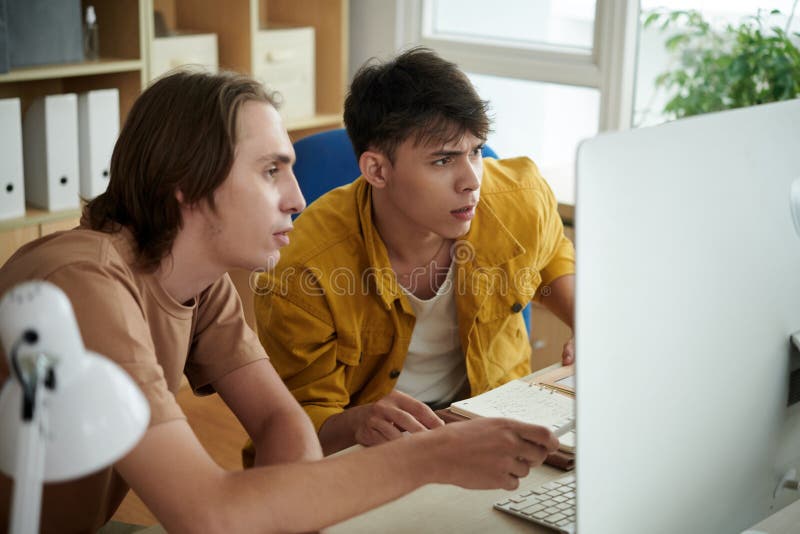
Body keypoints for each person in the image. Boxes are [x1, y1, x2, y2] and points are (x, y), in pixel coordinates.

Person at [0, 69, 559, 533]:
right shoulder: (84, 283)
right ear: (187, 184)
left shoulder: (201, 284)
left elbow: (280, 420)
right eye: (271, 171)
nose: (296, 198)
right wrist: (432, 456)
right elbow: (206, 513)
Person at [254, 47, 576, 456]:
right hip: (367, 457)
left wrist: (585, 324)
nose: (471, 181)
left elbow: (551, 254)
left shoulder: (521, 197)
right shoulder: (302, 270)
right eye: (443, 160)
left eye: (475, 150)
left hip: (493, 429)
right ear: (377, 170)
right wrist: (357, 422)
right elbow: (294, 426)